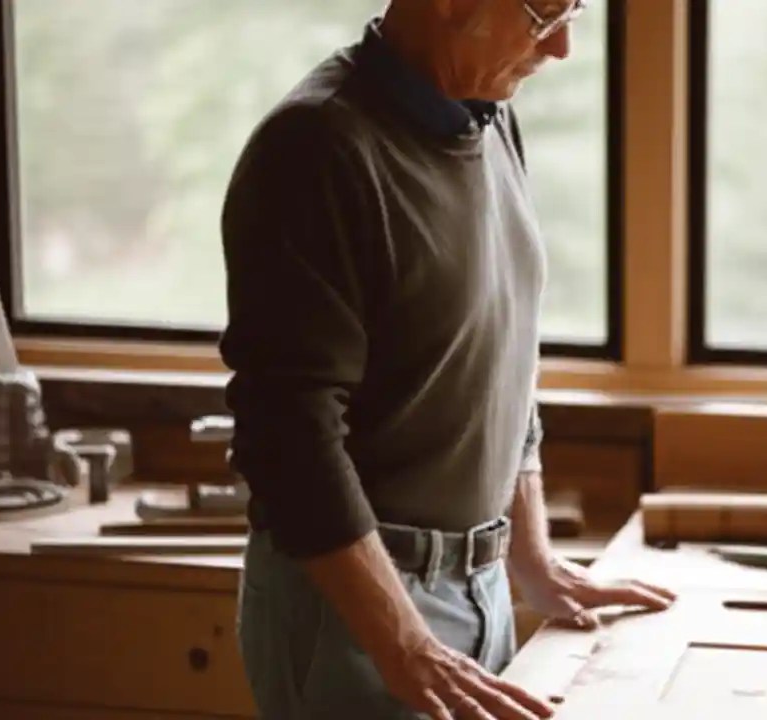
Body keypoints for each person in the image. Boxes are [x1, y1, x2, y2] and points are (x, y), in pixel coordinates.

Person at [217, 0, 677, 718]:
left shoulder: (488, 115)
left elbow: (498, 350)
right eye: (545, 13)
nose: (561, 49)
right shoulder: (315, 147)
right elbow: (287, 440)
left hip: (479, 581)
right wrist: (405, 643)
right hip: (361, 608)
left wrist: (530, 555)